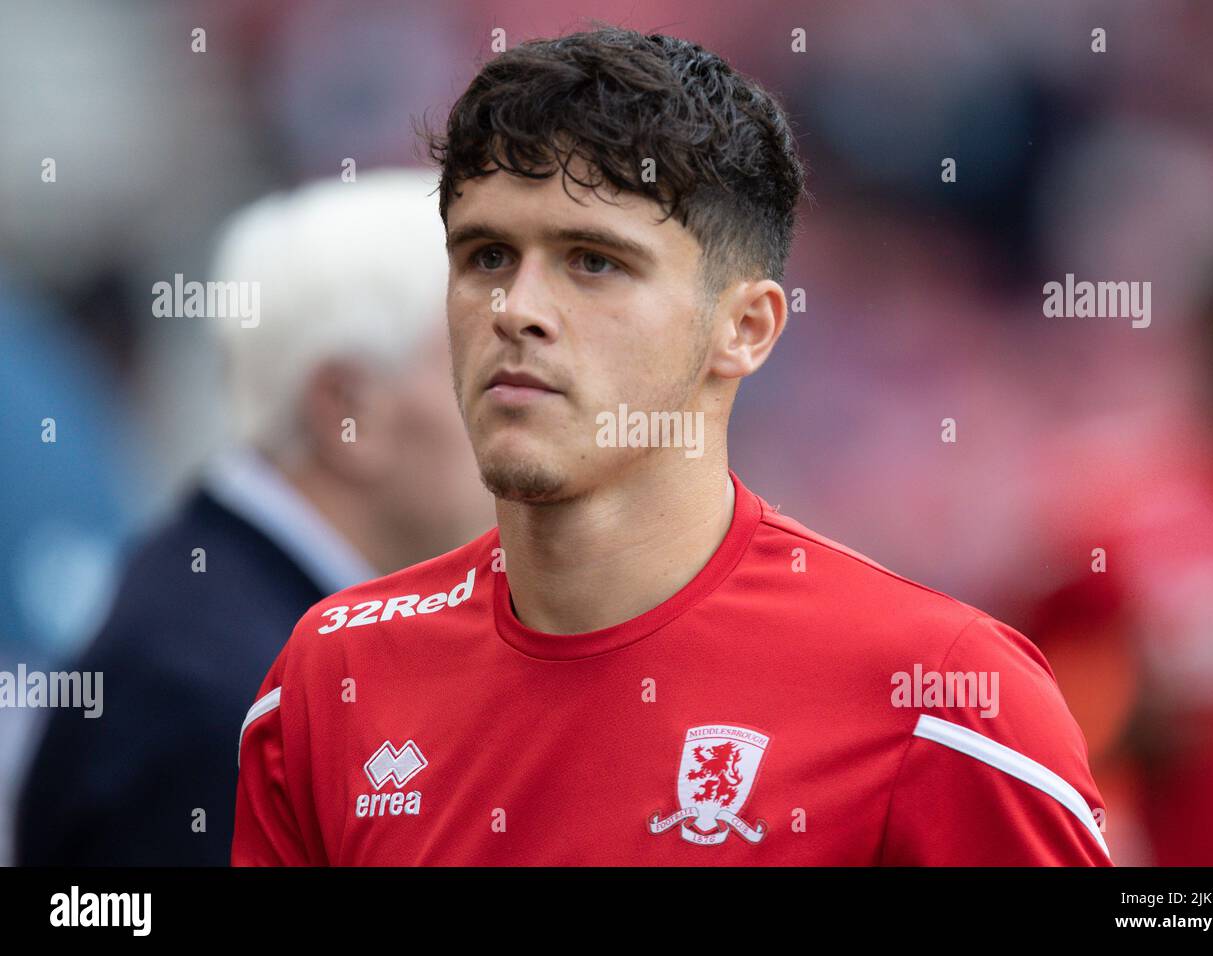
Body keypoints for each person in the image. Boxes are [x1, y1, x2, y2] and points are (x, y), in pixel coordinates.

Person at [232, 27, 1112, 866]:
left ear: (744, 328)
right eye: (488, 256)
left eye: (594, 261)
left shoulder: (943, 700)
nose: (516, 309)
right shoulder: (332, 678)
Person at [17, 169, 491, 865]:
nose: (524, 413)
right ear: (346, 408)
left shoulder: (237, 627)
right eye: (482, 366)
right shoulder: (210, 694)